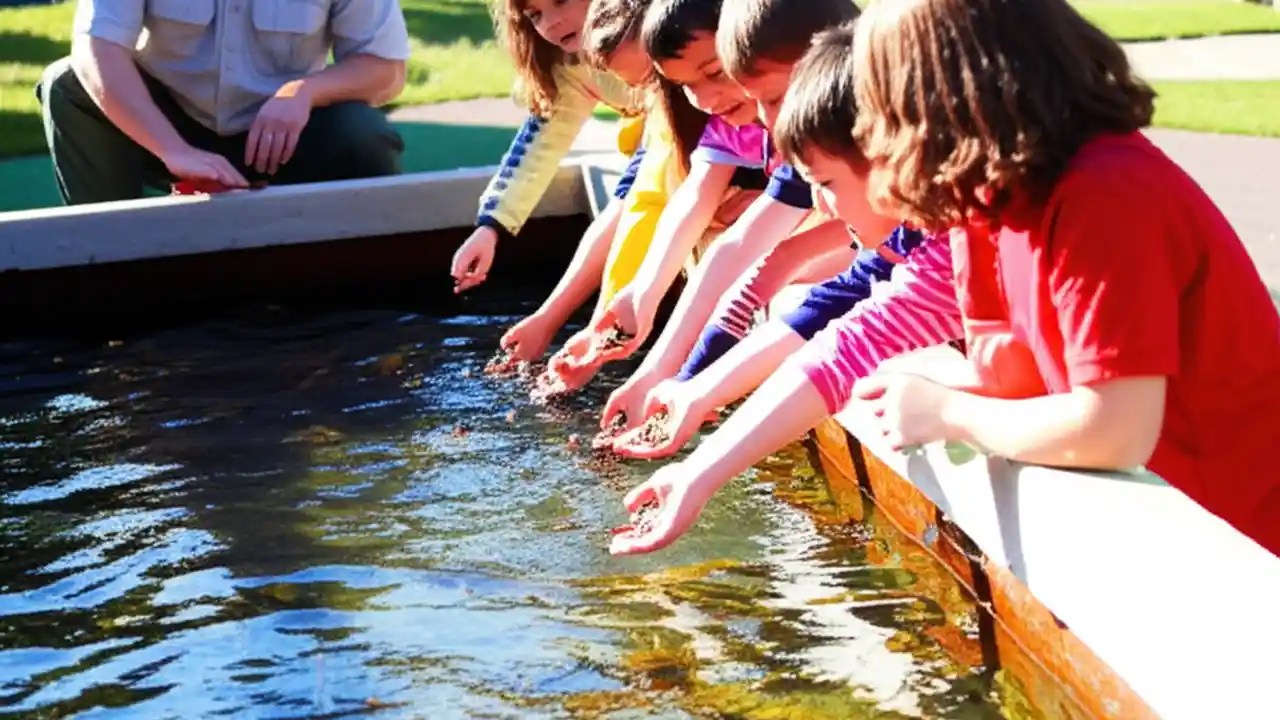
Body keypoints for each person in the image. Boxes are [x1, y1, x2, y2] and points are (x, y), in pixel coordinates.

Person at [844, 0, 1280, 556]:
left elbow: (1116, 430)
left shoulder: (1105, 194)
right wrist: (931, 394)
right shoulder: (998, 202)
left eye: (885, 108)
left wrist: (948, 414)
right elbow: (1023, 382)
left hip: (1258, 541)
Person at [609, 23, 963, 556]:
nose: (820, 206)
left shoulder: (953, 256)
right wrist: (695, 410)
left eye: (825, 184)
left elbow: (838, 351)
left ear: (889, 159)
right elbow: (837, 327)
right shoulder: (926, 241)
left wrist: (699, 461)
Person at [572, 0, 862, 428]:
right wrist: (664, 367)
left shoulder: (867, 121)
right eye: (684, 86)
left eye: (714, 72)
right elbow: (724, 237)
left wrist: (686, 380)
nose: (704, 100)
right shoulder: (771, 119)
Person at [39, 0, 411, 205]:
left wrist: (304, 91)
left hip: (282, 134)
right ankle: (106, 263)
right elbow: (96, 48)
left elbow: (386, 67)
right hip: (167, 126)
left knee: (363, 133)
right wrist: (172, 149)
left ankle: (365, 291)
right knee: (67, 86)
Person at [449, 0, 649, 295]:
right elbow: (541, 145)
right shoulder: (571, 67)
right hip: (655, 149)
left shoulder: (665, 28)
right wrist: (490, 228)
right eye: (535, 15)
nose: (550, 23)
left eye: (560, 1)